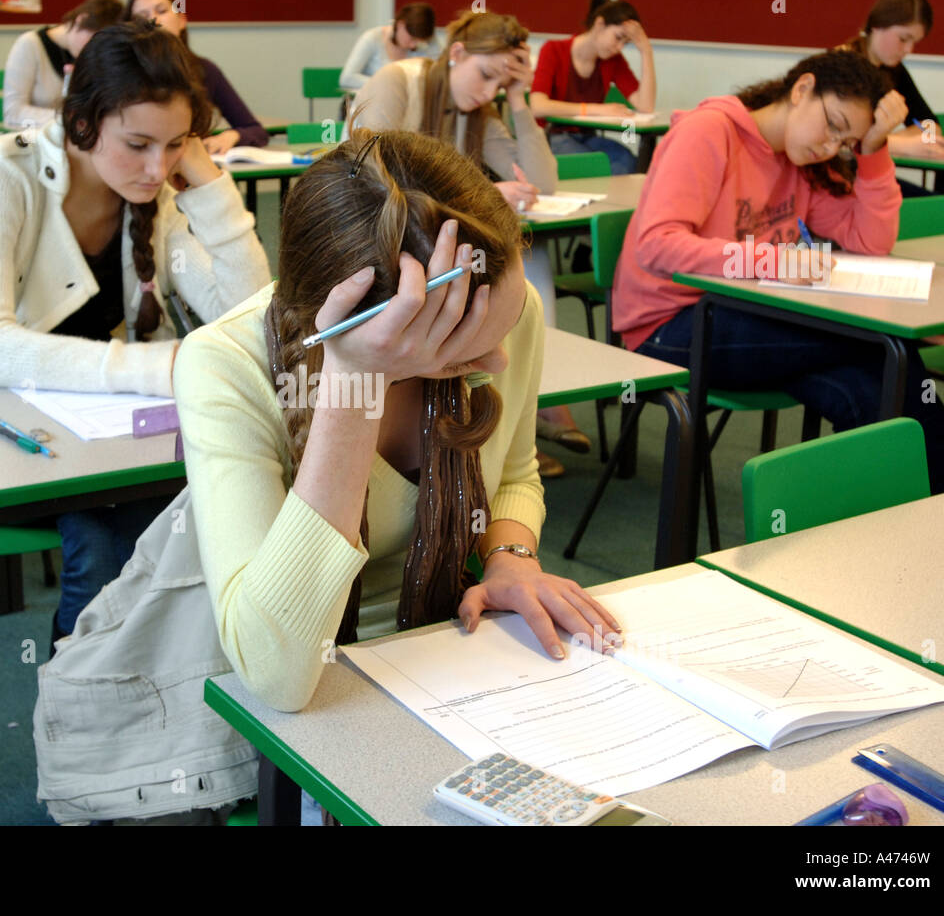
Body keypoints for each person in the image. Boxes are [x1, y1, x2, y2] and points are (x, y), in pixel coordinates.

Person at [175, 129, 621, 713]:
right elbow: (276, 676)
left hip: (443, 652)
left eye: (506, 329)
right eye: (460, 356)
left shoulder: (497, 306)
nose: (498, 363)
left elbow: (514, 472)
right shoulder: (225, 363)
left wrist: (511, 557)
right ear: (380, 327)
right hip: (295, 673)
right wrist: (355, 381)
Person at [0, 21, 270, 645]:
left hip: (94, 428)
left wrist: (209, 186)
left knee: (213, 498)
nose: (157, 167)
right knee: (108, 535)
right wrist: (158, 366)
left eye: (176, 144)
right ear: (84, 122)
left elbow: (250, 313)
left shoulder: (154, 190)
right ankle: (82, 693)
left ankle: (136, 683)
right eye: (138, 143)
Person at [611, 49, 944, 495]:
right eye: (833, 126)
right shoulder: (708, 132)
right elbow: (656, 245)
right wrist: (773, 260)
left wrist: (874, 150)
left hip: (752, 316)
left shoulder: (802, 163)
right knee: (880, 345)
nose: (831, 146)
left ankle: (925, 507)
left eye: (845, 141)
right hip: (668, 324)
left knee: (870, 388)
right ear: (802, 89)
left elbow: (870, 242)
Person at [353, 11, 590, 477]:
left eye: (500, 84)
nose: (487, 92)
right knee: (497, 269)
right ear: (457, 53)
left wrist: (518, 100)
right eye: (485, 75)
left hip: (444, 247)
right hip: (381, 245)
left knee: (528, 256)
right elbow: (376, 181)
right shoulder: (397, 82)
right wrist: (484, 195)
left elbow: (544, 181)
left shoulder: (480, 110)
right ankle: (513, 422)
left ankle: (517, 419)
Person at [124, 0, 270, 154]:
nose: (153, 20)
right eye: (142, 17)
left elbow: (255, 130)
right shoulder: (123, 72)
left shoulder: (204, 70)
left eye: (162, 11)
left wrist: (231, 136)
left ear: (181, 20)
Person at [837, 0, 944, 198]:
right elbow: (841, 142)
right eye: (903, 39)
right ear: (878, 25)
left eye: (914, 42)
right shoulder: (843, 66)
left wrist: (884, 139)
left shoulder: (893, 70)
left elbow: (929, 124)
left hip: (869, 175)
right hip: (841, 180)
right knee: (939, 208)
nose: (908, 50)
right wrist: (901, 145)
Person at [529, 0, 656, 176]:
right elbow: (538, 106)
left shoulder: (613, 60)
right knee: (600, 167)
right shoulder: (553, 50)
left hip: (587, 137)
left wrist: (646, 50)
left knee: (629, 162)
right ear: (599, 25)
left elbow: (646, 106)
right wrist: (597, 109)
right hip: (551, 136)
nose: (619, 47)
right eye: (618, 37)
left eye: (626, 43)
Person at [3, 0, 121, 128]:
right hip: (32, 135)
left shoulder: (93, 56)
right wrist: (68, 118)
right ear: (80, 20)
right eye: (92, 40)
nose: (92, 49)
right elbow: (13, 112)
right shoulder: (30, 44)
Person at [338, 2, 443, 91]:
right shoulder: (372, 38)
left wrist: (432, 39)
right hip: (372, 103)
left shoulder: (421, 45)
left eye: (419, 40)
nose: (413, 45)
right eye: (412, 39)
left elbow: (438, 73)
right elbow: (346, 79)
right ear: (400, 25)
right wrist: (389, 84)